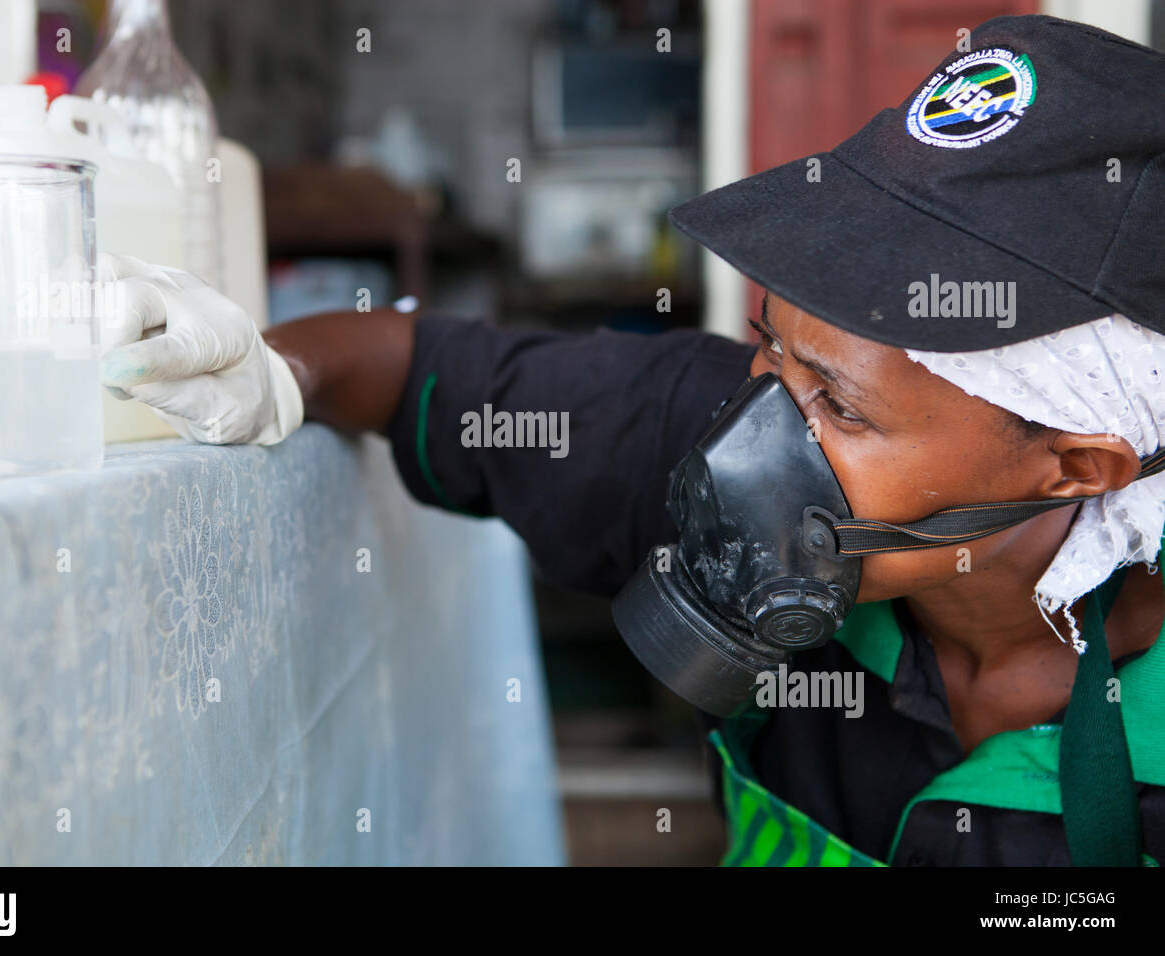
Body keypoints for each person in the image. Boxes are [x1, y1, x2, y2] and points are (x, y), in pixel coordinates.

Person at [96, 14, 1165, 866]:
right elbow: (422, 365)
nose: (755, 430)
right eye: (767, 347)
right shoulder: (681, 424)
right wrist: (271, 370)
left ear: (1076, 466)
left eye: (840, 409)